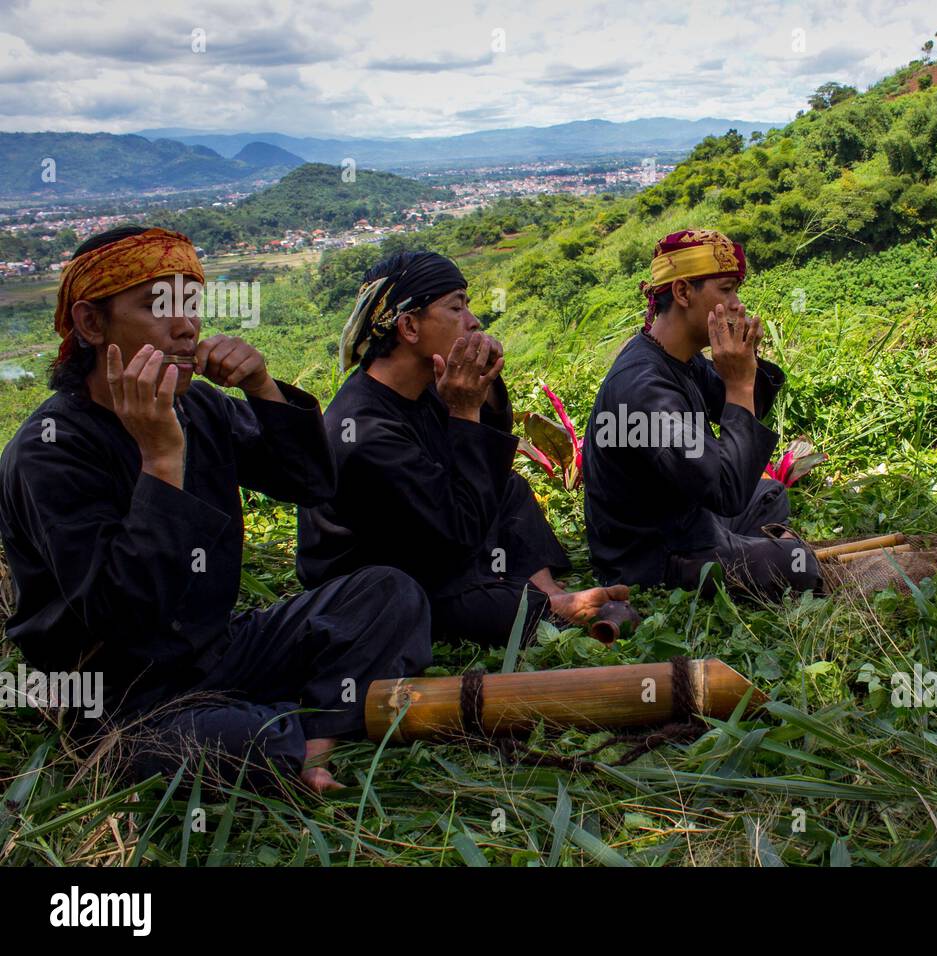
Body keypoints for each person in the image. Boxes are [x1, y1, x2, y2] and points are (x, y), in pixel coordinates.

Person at [0, 226, 432, 793]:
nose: (186, 325)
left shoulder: (197, 403)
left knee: (387, 593)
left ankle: (308, 741)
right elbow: (123, 616)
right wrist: (160, 461)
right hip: (120, 699)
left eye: (192, 305)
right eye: (159, 306)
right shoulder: (50, 450)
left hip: (215, 651)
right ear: (90, 323)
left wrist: (263, 390)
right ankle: (292, 732)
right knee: (205, 741)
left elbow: (309, 483)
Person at [297, 251, 634, 645]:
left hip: (434, 536)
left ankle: (551, 595)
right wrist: (464, 407)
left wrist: (480, 387)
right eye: (456, 307)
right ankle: (540, 605)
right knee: (491, 608)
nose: (473, 321)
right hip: (382, 578)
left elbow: (484, 459)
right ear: (408, 326)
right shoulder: (364, 431)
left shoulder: (419, 389)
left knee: (507, 488)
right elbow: (455, 537)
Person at [582, 229, 821, 598]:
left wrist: (747, 368)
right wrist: (740, 384)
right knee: (796, 563)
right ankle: (750, 553)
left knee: (770, 494)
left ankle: (740, 549)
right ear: (682, 293)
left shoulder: (682, 357)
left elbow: (735, 405)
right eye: (726, 290)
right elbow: (727, 491)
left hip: (688, 519)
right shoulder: (643, 388)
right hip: (655, 555)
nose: (737, 304)